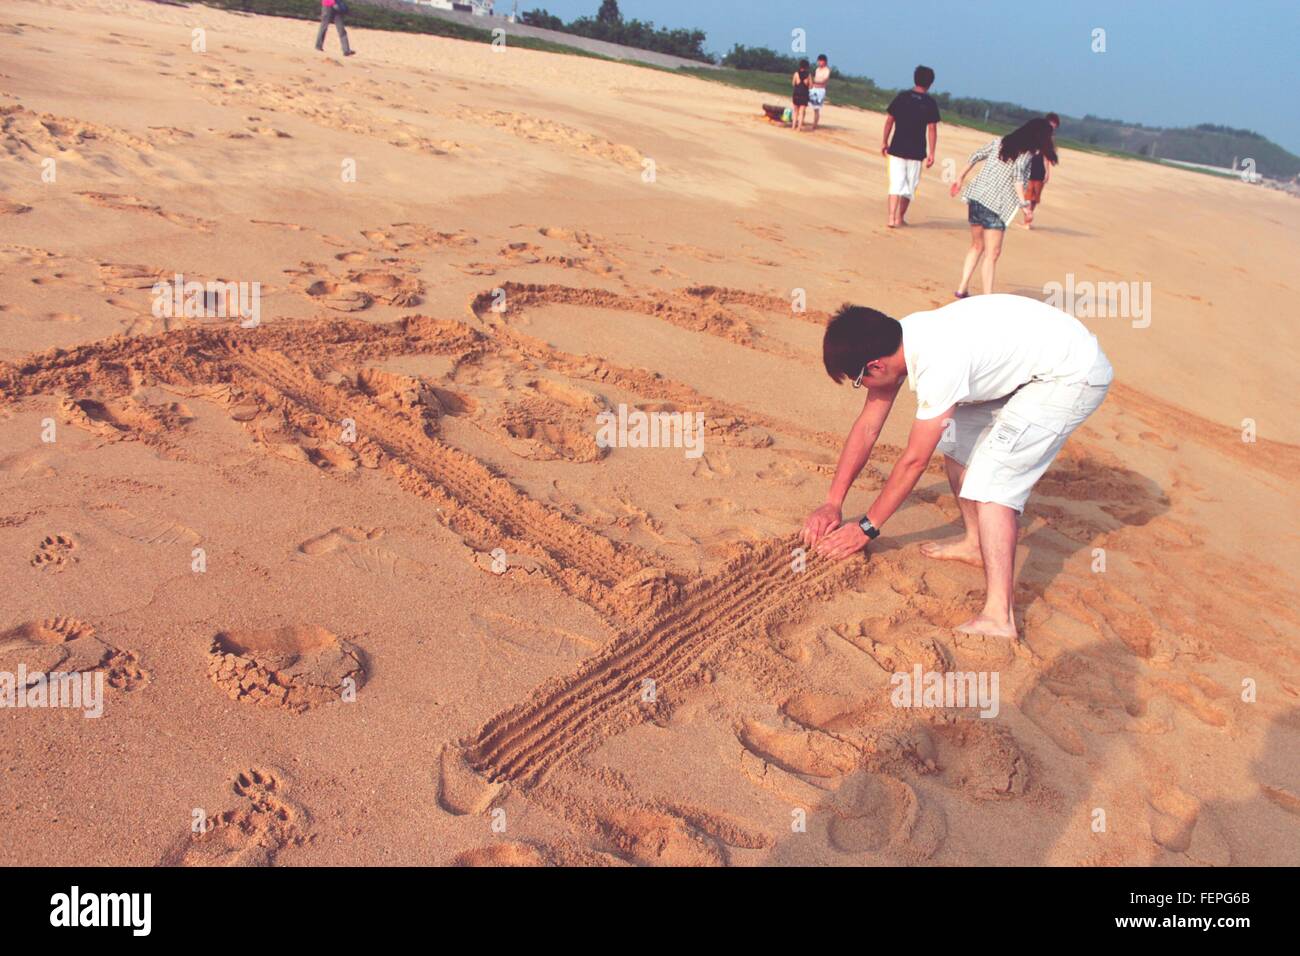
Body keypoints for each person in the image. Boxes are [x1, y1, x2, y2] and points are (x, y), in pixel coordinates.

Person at [800, 295, 1113, 640]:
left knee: (994, 479)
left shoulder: (939, 360)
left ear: (875, 366)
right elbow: (867, 427)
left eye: (859, 380)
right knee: (954, 439)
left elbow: (915, 459)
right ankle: (976, 543)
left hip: (1071, 376)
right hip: (1036, 361)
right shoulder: (901, 338)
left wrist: (867, 527)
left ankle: (999, 617)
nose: (864, 389)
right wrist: (833, 500)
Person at [949, 118, 1058, 296]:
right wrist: (1025, 206)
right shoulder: (1025, 154)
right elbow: (1017, 179)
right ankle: (988, 298)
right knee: (992, 254)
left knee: (976, 246)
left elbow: (975, 155)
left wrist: (960, 178)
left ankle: (962, 288)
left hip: (976, 197)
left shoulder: (999, 141)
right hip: (996, 205)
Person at [881, 66, 940, 227]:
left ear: (915, 79)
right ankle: (900, 217)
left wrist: (884, 141)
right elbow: (932, 128)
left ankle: (891, 218)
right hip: (916, 151)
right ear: (930, 83)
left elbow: (889, 120)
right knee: (909, 186)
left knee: (895, 184)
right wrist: (932, 153)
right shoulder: (929, 102)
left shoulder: (902, 97)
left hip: (897, 147)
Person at [1023, 114, 1060, 229]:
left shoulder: (1051, 139)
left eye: (1054, 126)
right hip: (1030, 165)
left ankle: (1028, 221)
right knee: (1028, 195)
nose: (1052, 128)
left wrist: (1048, 173)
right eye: (1051, 125)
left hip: (1040, 169)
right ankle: (1027, 220)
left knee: (1034, 197)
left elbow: (1047, 158)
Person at [809, 55, 831, 130]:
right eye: (818, 61)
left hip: (820, 90)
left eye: (821, 61)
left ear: (824, 61)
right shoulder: (817, 69)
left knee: (816, 108)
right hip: (814, 88)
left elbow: (824, 80)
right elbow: (815, 78)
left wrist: (815, 81)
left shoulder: (827, 70)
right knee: (810, 105)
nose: (819, 62)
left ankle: (814, 125)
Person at [791, 60, 812, 131]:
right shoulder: (808, 75)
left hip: (796, 93)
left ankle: (793, 126)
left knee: (795, 112)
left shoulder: (796, 74)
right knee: (802, 112)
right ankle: (799, 127)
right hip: (804, 94)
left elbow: (793, 83)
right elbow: (810, 86)